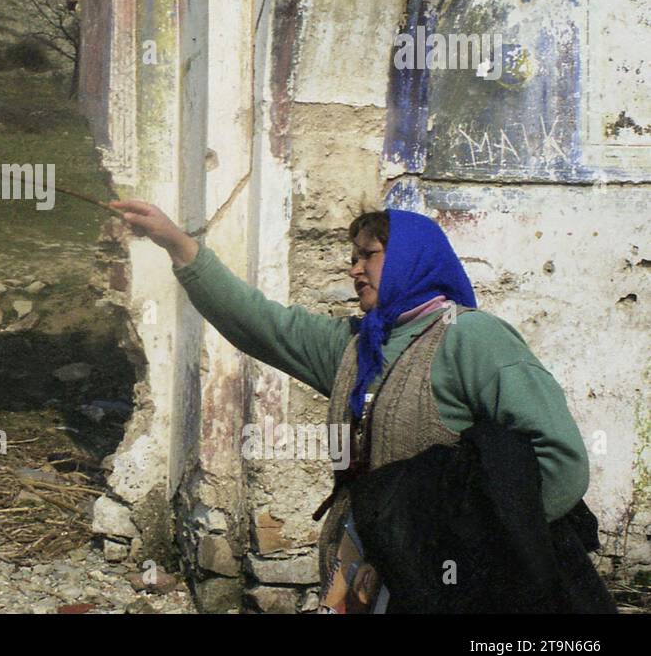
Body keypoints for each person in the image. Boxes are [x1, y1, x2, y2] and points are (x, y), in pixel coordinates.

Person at [108, 199, 592, 608]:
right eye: (352, 257)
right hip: (368, 571)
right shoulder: (358, 348)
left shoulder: (473, 340)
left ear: (410, 259)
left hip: (457, 582)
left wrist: (466, 543)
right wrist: (177, 243)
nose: (354, 268)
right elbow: (260, 322)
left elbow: (560, 461)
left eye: (369, 255)